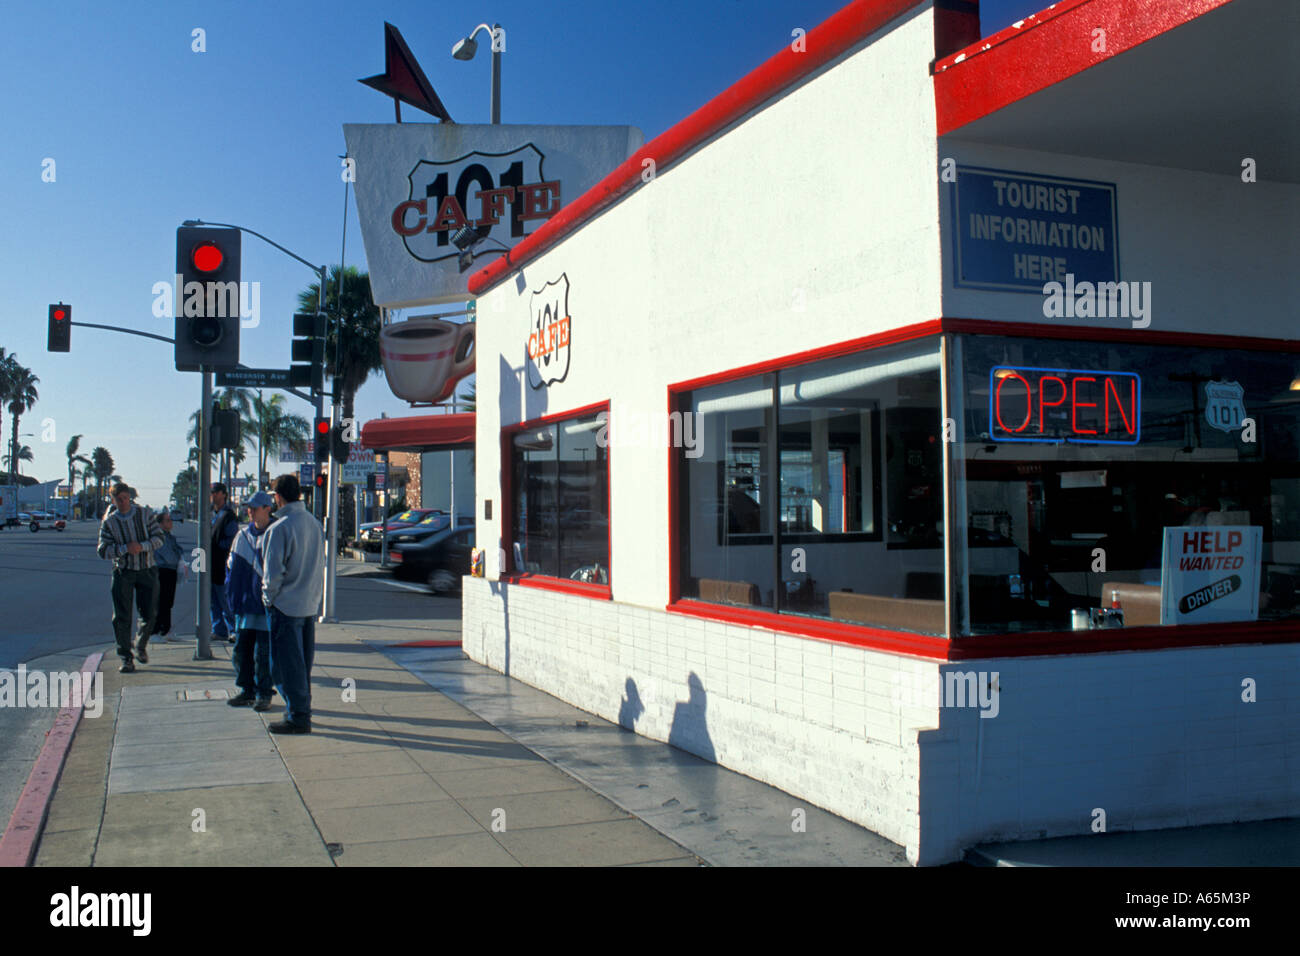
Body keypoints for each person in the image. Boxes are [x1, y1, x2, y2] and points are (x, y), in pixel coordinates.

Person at [261, 474, 324, 734]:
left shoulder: (279, 528)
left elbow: (272, 574)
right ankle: (301, 709)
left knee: (286, 667)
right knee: (302, 665)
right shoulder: (313, 523)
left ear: (278, 497)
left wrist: (268, 598)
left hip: (285, 606)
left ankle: (298, 716)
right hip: (309, 604)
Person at [96, 483, 164, 673]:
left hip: (147, 569)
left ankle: (140, 644)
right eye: (119, 499)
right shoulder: (109, 522)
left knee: (149, 613)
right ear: (113, 500)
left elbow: (159, 538)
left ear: (130, 498)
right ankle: (126, 657)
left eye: (125, 498)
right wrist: (125, 549)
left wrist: (142, 546)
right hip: (123, 571)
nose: (123, 502)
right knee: (121, 617)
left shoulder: (144, 515)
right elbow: (103, 550)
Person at [226, 491, 276, 711]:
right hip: (246, 607)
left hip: (266, 606)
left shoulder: (277, 533)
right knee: (241, 652)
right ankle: (246, 689)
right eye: (249, 508)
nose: (250, 511)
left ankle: (264, 692)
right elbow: (232, 569)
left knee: (263, 655)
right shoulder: (242, 536)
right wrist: (234, 601)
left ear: (268, 508)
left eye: (255, 508)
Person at [210, 483, 239, 643]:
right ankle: (218, 630)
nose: (212, 495)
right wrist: (197, 565)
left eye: (214, 492)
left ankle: (233, 630)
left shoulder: (228, 516)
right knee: (212, 601)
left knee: (224, 599)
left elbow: (232, 541)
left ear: (223, 494)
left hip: (221, 565)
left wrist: (218, 547)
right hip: (208, 565)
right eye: (211, 492)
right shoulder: (209, 513)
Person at [151, 511, 186, 642]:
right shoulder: (159, 538)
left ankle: (166, 629)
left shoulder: (170, 537)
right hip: (162, 571)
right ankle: (154, 631)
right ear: (160, 524)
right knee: (161, 602)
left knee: (168, 602)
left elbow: (180, 550)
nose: (170, 522)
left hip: (170, 571)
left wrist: (179, 557)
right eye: (167, 520)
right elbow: (170, 557)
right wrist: (178, 558)